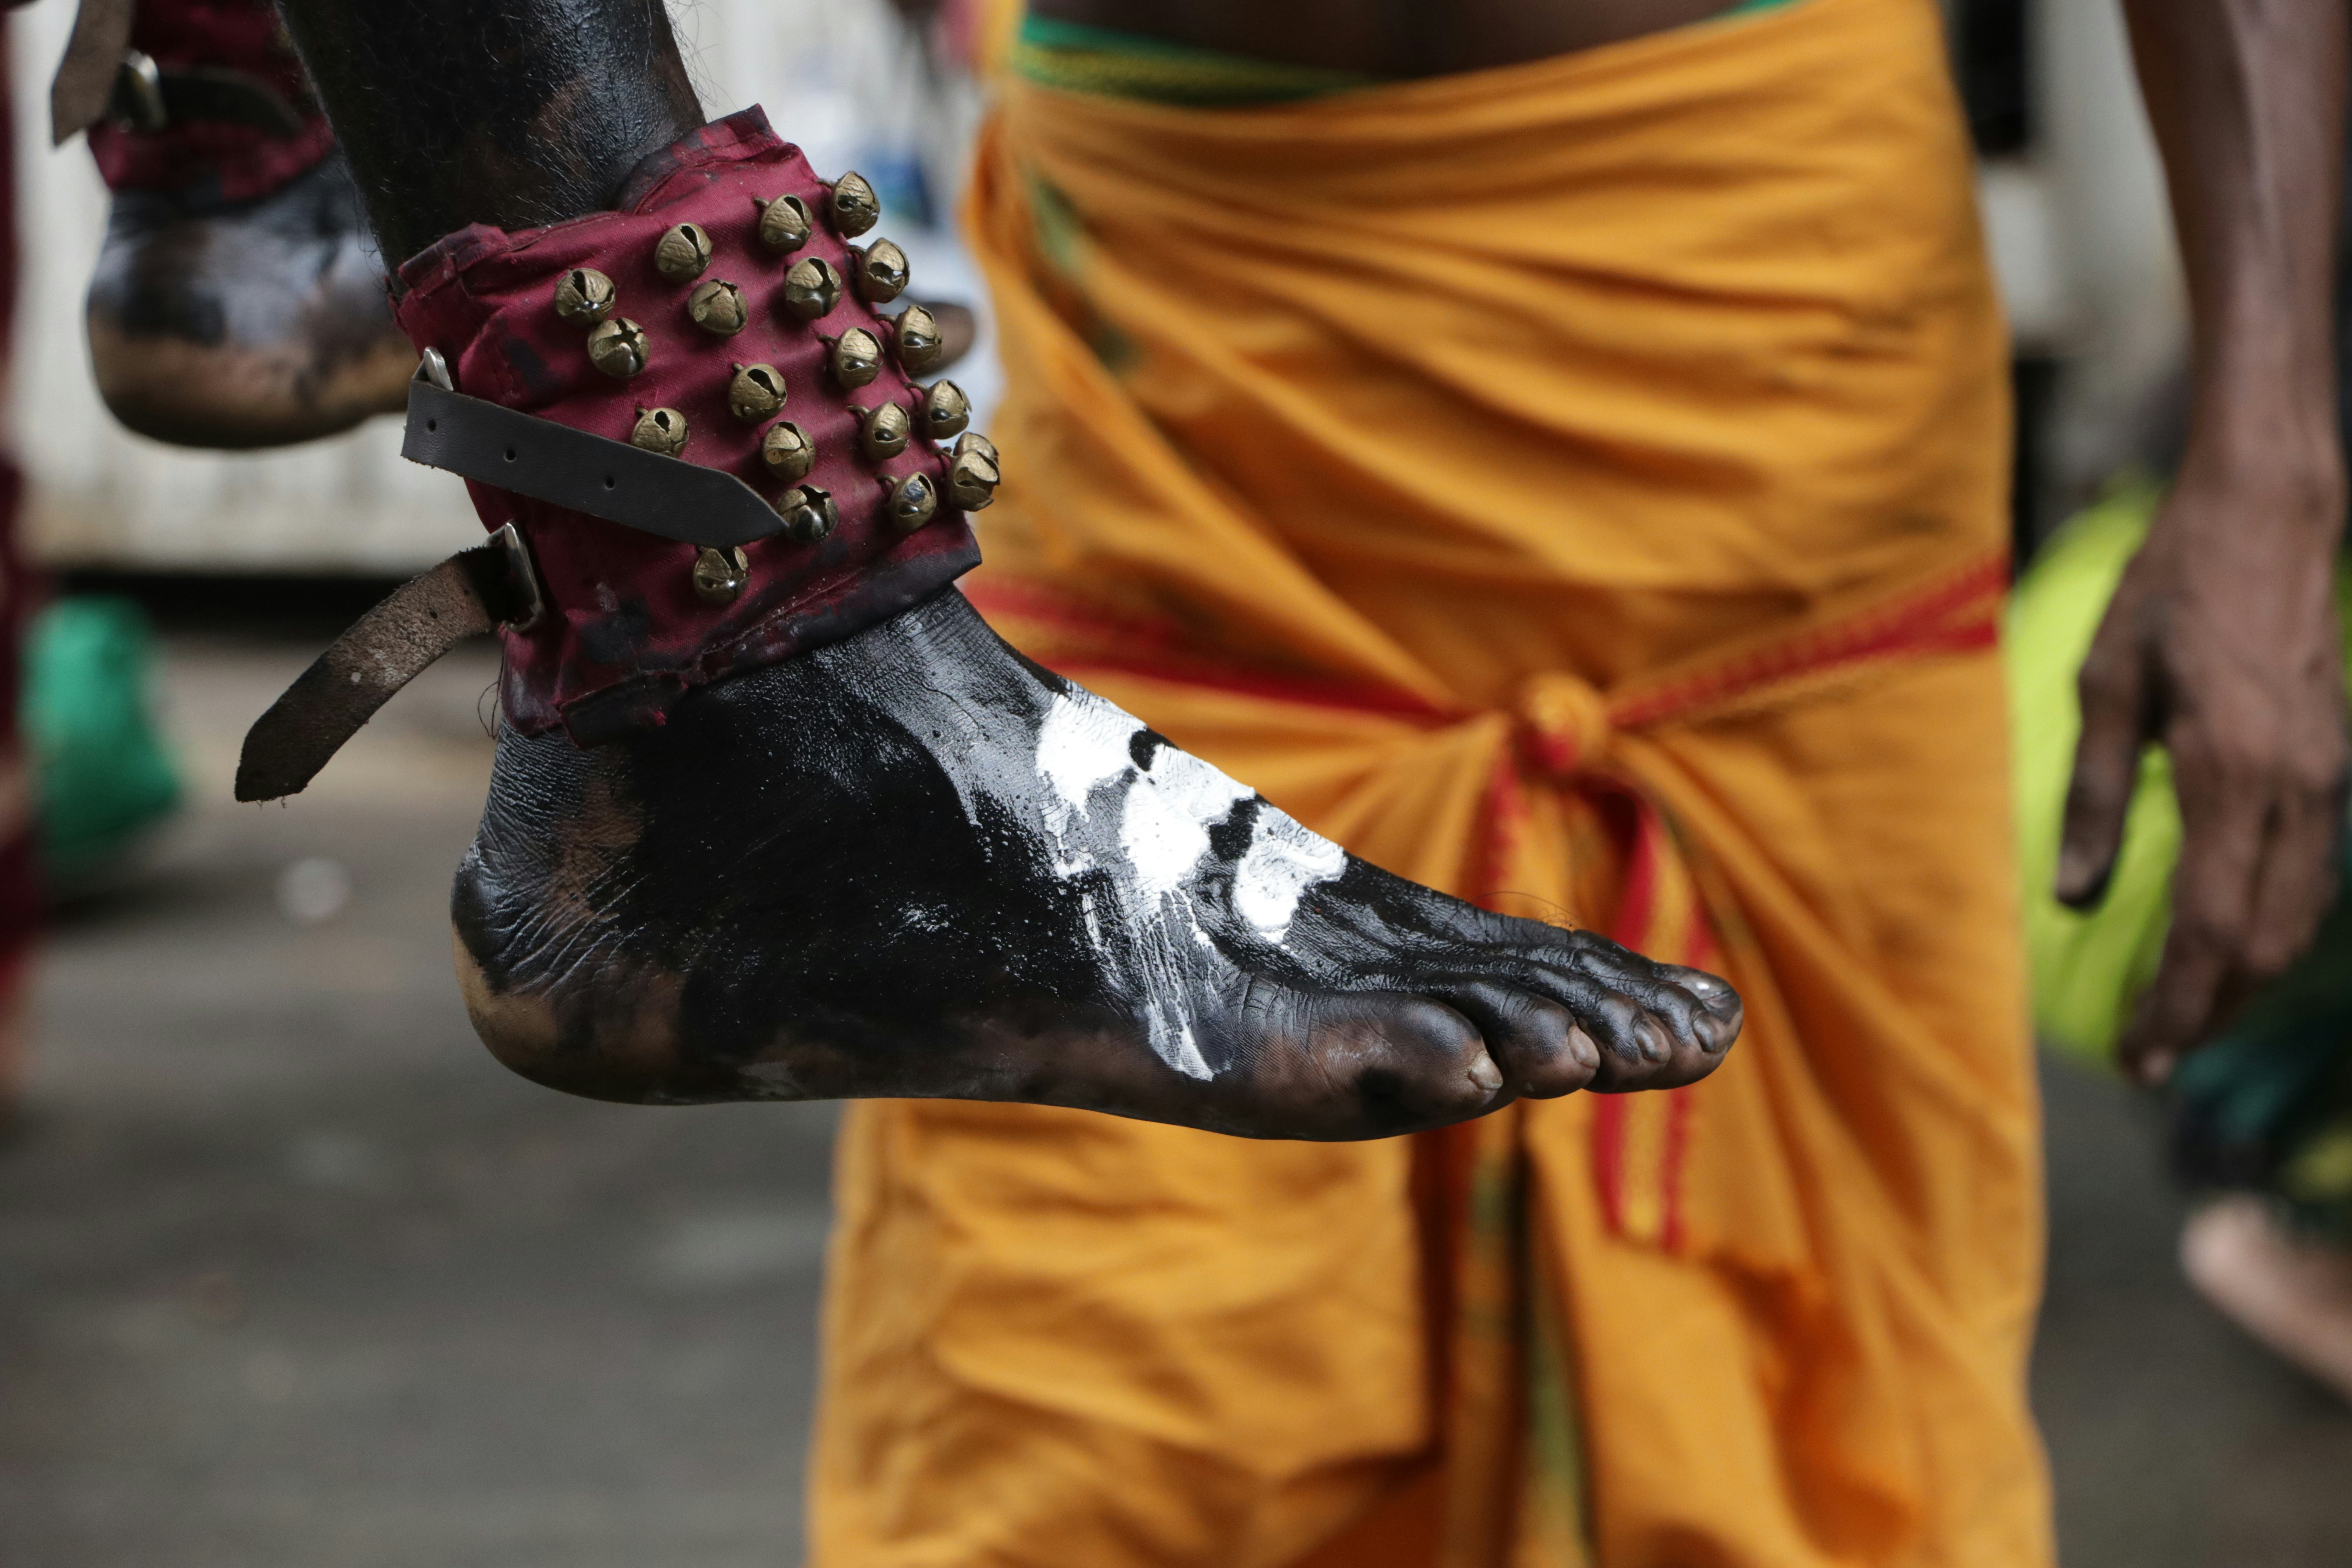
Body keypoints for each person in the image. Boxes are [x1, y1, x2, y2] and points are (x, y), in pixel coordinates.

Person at [793, 0, 2347, 1562]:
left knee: (1825, 1444)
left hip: (1765, 379)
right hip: (1173, 376)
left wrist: (2271, 463)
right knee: (1068, 1423)